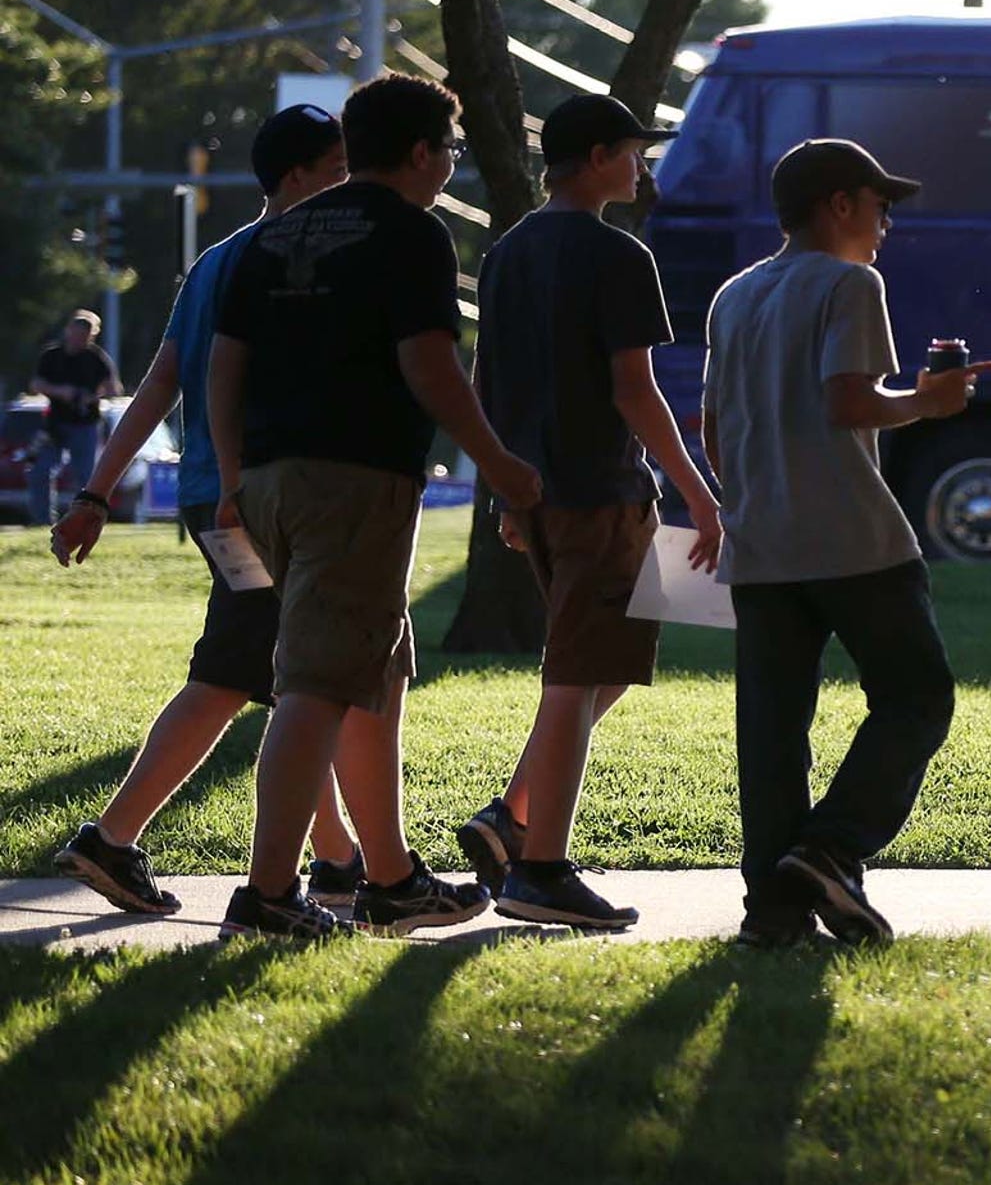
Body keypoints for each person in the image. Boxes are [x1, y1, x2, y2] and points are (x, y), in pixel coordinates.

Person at [207, 73, 544, 939]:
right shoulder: (411, 233)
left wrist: (234, 475)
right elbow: (430, 367)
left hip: (272, 480)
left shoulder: (272, 237)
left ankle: (391, 880)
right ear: (423, 151)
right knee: (316, 686)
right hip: (355, 481)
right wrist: (501, 464)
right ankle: (270, 896)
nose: (450, 169)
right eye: (452, 152)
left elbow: (224, 366)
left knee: (375, 674)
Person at [45, 107, 371, 915]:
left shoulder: (216, 260)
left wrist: (95, 493)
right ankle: (110, 840)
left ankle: (337, 859)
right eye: (337, 164)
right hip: (252, 497)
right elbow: (187, 384)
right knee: (238, 673)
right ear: (297, 174)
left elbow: (160, 383)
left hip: (213, 498)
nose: (348, 179)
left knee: (294, 673)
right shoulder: (287, 263)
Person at [702, 138, 991, 945]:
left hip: (759, 544)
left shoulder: (735, 294)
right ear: (839, 205)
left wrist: (746, 502)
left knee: (771, 734)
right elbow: (850, 402)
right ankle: (831, 850)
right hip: (854, 539)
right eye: (878, 203)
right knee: (916, 697)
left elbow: (716, 429)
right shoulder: (851, 282)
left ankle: (774, 911)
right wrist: (927, 405)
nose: (886, 221)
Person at [452, 94, 722, 932]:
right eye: (636, 152)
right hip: (601, 489)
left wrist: (503, 490)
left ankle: (510, 818)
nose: (643, 166)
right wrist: (698, 492)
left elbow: (490, 378)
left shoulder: (506, 253)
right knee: (579, 675)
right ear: (600, 156)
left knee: (605, 663)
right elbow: (634, 389)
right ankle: (543, 867)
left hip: (534, 493)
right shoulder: (617, 255)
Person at [24, 311, 120, 519]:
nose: (78, 340)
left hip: (86, 424)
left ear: (91, 336)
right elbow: (36, 384)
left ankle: (82, 520)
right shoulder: (52, 355)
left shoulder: (96, 358)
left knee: (86, 477)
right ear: (68, 331)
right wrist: (61, 391)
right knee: (40, 470)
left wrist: (93, 396)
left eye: (84, 336)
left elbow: (114, 388)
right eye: (75, 334)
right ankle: (42, 520)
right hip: (55, 423)